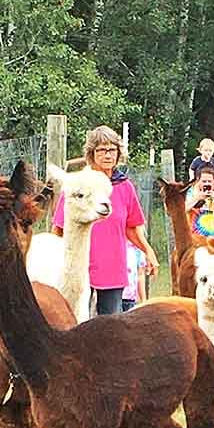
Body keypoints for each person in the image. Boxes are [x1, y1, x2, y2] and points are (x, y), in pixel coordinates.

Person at [52, 125, 159, 315]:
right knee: (74, 319)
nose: (107, 155)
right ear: (91, 153)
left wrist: (148, 251)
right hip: (80, 268)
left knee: (110, 324)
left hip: (112, 267)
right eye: (101, 150)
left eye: (112, 150)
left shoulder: (124, 186)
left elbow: (132, 228)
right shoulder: (78, 186)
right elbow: (59, 229)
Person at [123, 242, 146, 311]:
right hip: (112, 294)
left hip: (130, 298)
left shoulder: (137, 247)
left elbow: (140, 274)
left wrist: (143, 300)